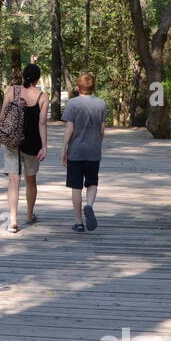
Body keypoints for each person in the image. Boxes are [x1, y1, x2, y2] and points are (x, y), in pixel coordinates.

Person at [0, 63, 48, 234]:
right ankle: (29, 215)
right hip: (32, 144)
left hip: (11, 141)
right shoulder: (42, 97)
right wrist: (44, 147)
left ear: (23, 76)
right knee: (31, 181)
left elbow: (3, 116)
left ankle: (14, 220)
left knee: (13, 181)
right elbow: (42, 123)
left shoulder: (12, 91)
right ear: (37, 79)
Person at [61, 72, 106, 232]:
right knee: (92, 182)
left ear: (78, 87)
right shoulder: (101, 103)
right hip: (93, 150)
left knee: (76, 186)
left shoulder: (73, 104)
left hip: (76, 151)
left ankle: (79, 222)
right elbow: (102, 129)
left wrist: (64, 148)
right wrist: (97, 142)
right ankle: (89, 205)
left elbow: (69, 128)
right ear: (93, 87)